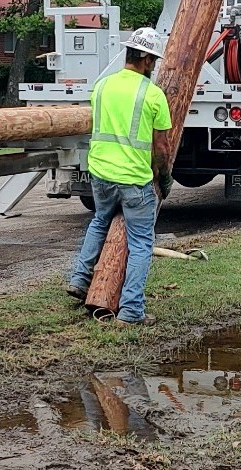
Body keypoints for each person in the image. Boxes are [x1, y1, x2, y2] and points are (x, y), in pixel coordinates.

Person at [65, 26, 174, 326]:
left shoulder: (102, 85)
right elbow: (162, 148)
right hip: (133, 180)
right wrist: (164, 179)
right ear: (147, 60)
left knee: (100, 221)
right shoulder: (153, 95)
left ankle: (79, 279)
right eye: (153, 60)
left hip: (99, 173)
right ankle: (131, 311)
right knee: (141, 244)